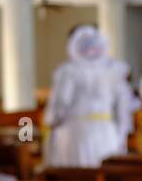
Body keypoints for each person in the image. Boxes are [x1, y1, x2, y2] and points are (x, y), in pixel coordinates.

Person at [44, 26, 120, 168]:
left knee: (77, 172)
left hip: (76, 131)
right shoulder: (113, 70)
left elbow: (61, 104)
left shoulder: (69, 71)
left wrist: (51, 122)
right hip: (107, 132)